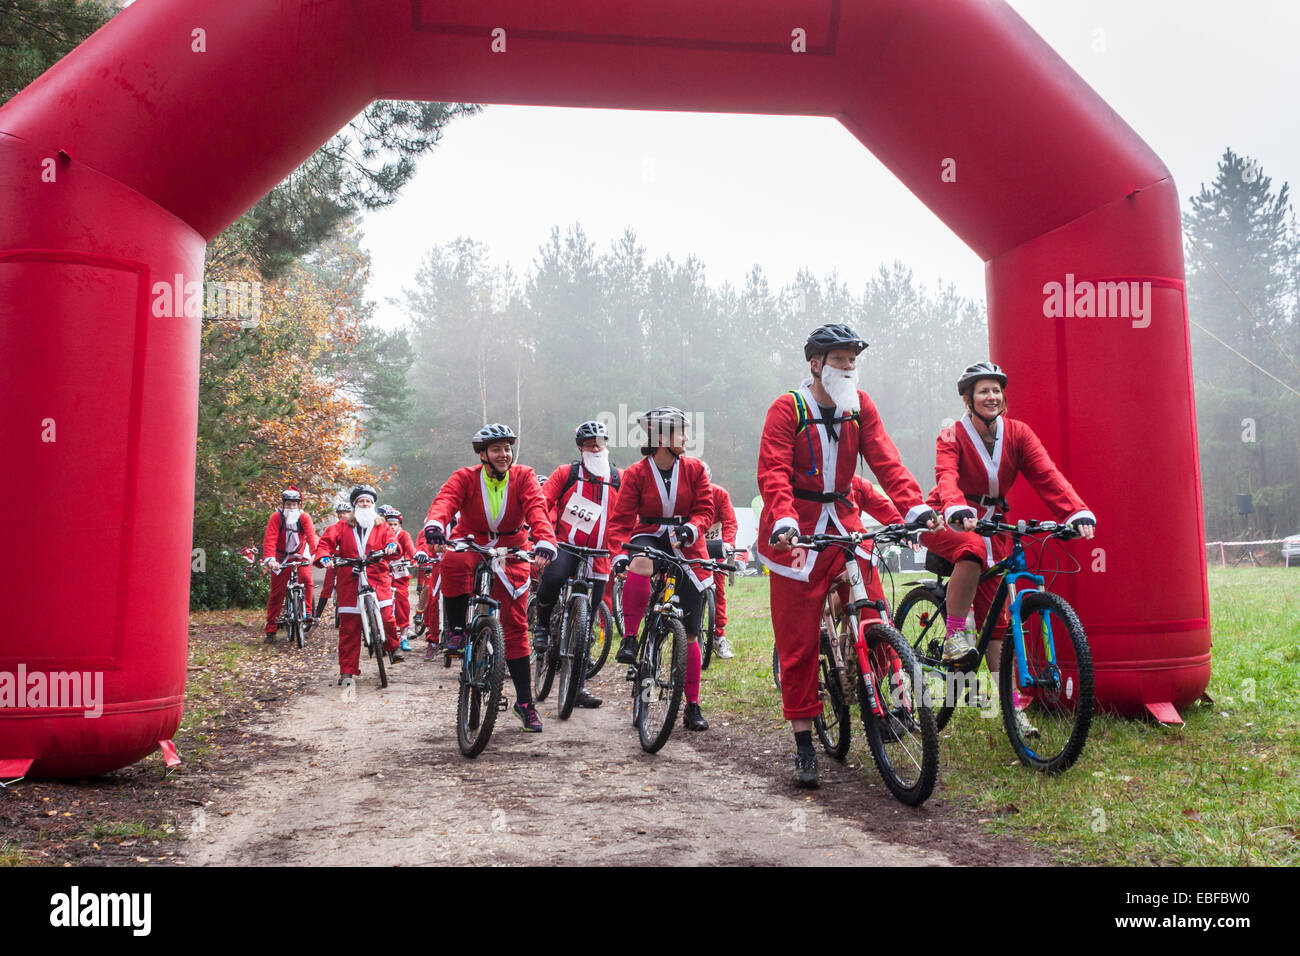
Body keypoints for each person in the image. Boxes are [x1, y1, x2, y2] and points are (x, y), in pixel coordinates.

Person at [758, 324, 939, 788]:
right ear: (816, 364)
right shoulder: (787, 409)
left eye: (853, 361)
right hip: (796, 535)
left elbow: (885, 459)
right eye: (839, 360)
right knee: (798, 643)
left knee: (874, 610)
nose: (848, 368)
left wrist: (912, 505)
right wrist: (782, 518)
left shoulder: (861, 408)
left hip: (844, 522)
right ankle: (803, 741)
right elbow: (774, 470)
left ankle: (894, 700)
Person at [921, 362, 1096, 735]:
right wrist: (954, 506)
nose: (992, 397)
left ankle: (1013, 710)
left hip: (993, 526)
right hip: (945, 519)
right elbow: (946, 476)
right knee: (971, 549)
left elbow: (1046, 475)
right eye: (983, 391)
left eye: (997, 390)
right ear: (968, 399)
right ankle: (953, 634)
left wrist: (1074, 511)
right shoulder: (951, 434)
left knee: (998, 628)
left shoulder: (1018, 434)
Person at [420, 424, 557, 733]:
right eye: (496, 449)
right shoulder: (465, 477)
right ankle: (455, 630)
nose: (504, 454)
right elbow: (445, 501)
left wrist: (545, 540)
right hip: (471, 541)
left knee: (516, 627)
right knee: (452, 561)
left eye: (507, 448)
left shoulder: (523, 476)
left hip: (513, 548)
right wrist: (435, 526)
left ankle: (525, 704)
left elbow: (537, 509)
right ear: (482, 454)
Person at [606, 406, 715, 732]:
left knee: (692, 634)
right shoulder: (637, 473)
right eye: (681, 431)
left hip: (687, 542)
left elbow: (705, 509)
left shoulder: (695, 469)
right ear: (661, 437)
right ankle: (629, 638)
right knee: (640, 561)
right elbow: (622, 520)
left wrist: (692, 529)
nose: (686, 437)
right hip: (648, 536)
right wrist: (618, 555)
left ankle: (692, 705)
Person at [536, 420, 621, 709]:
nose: (595, 447)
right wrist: (542, 538)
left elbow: (626, 516)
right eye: (589, 443)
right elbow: (542, 502)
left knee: (588, 619)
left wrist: (624, 549)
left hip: (600, 553)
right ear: (580, 448)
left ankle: (579, 685)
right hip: (566, 545)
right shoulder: (567, 473)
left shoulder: (617, 477)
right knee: (553, 578)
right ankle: (543, 627)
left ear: (606, 445)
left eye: (600, 442)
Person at [313, 485, 405, 687]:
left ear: (373, 505)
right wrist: (325, 557)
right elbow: (325, 544)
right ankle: (347, 671)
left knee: (388, 616)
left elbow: (393, 542)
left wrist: (392, 546)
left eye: (368, 502)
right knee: (349, 627)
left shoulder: (382, 526)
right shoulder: (342, 526)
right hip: (349, 577)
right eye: (361, 501)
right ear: (355, 505)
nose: (365, 504)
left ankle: (393, 646)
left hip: (377, 574)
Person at [261, 487, 318, 643]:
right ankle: (271, 629)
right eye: (288, 504)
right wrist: (271, 560)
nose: (291, 507)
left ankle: (306, 614)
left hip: (300, 554)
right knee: (277, 592)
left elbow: (312, 535)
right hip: (280, 557)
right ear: (283, 504)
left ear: (299, 505)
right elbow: (270, 539)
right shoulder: (276, 517)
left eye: (294, 504)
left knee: (306, 580)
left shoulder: (304, 517)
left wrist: (314, 554)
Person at [700, 461, 738, 660]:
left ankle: (719, 636)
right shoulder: (686, 493)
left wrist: (728, 543)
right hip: (694, 546)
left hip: (716, 547)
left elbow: (730, 522)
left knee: (719, 590)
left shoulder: (720, 494)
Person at [381, 506, 417, 651]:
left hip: (400, 572)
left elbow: (410, 548)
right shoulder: (380, 533)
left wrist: (414, 558)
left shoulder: (404, 535)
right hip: (383, 571)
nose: (392, 527)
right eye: (389, 524)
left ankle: (403, 637)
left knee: (403, 603)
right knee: (383, 603)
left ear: (399, 525)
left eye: (395, 524)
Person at [314, 501, 352, 623]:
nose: (342, 516)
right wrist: (325, 557)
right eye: (340, 513)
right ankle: (317, 615)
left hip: (349, 562)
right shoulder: (333, 528)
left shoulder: (355, 528)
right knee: (327, 587)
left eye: (345, 513)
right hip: (334, 562)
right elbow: (325, 544)